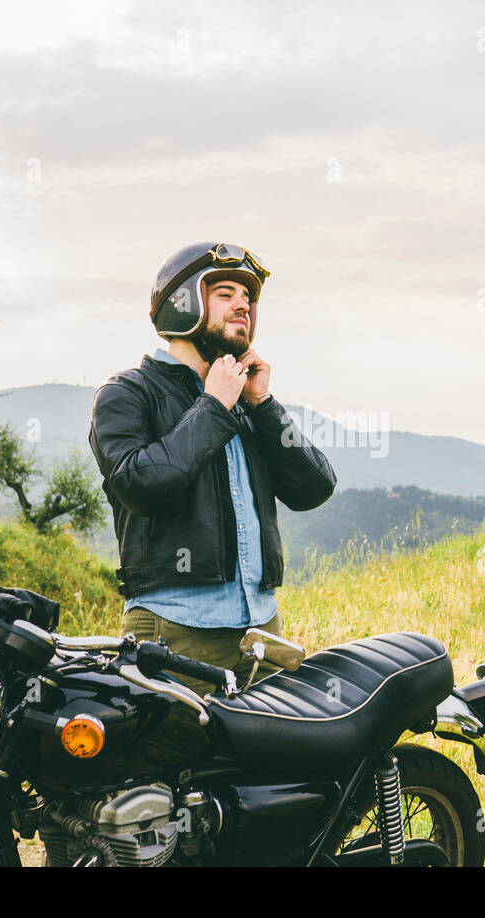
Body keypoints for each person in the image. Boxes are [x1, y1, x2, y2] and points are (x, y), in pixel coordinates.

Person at [88, 242, 337, 695]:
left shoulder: (246, 402)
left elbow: (314, 487)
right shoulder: (126, 393)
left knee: (279, 768)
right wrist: (213, 405)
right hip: (173, 635)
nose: (243, 303)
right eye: (225, 293)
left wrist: (262, 404)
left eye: (247, 297)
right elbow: (140, 485)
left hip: (264, 634)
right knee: (174, 767)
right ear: (182, 304)